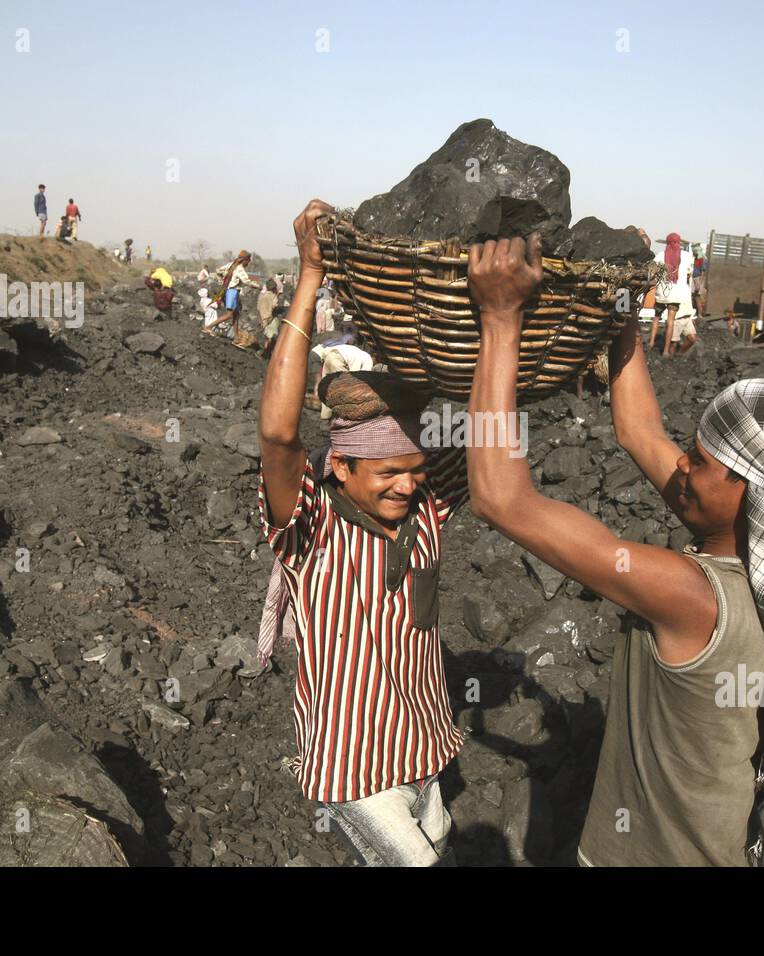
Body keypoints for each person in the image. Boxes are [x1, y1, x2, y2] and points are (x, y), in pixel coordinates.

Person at [464, 234, 764, 867]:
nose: (681, 467)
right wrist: (622, 315)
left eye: (700, 463)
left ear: (751, 495)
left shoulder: (696, 596)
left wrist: (500, 321)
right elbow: (638, 430)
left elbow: (499, 499)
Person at [256, 198, 469, 867]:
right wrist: (310, 277)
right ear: (341, 465)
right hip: (353, 765)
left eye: (415, 470)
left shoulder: (428, 509)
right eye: (388, 474)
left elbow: (488, 408)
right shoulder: (310, 526)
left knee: (441, 845)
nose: (406, 485)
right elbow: (278, 433)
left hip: (426, 742)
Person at [650, 232, 695, 356]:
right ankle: (665, 351)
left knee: (656, 317)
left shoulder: (660, 256)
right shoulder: (686, 256)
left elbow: (652, 270)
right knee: (670, 321)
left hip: (662, 294)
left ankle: (651, 342)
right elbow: (689, 272)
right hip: (676, 295)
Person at [209, 250, 261, 339]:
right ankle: (209, 327)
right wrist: (258, 286)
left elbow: (218, 271)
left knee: (236, 316)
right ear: (244, 260)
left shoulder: (230, 265)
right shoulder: (239, 269)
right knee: (229, 315)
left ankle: (236, 338)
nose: (249, 263)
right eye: (248, 260)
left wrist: (222, 281)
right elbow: (246, 281)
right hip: (232, 292)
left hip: (228, 291)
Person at [258, 279, 280, 355]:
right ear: (274, 288)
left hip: (263, 318)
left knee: (267, 336)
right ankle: (266, 352)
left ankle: (265, 351)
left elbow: (258, 308)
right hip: (271, 318)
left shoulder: (262, 296)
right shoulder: (274, 296)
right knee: (271, 337)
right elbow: (274, 306)